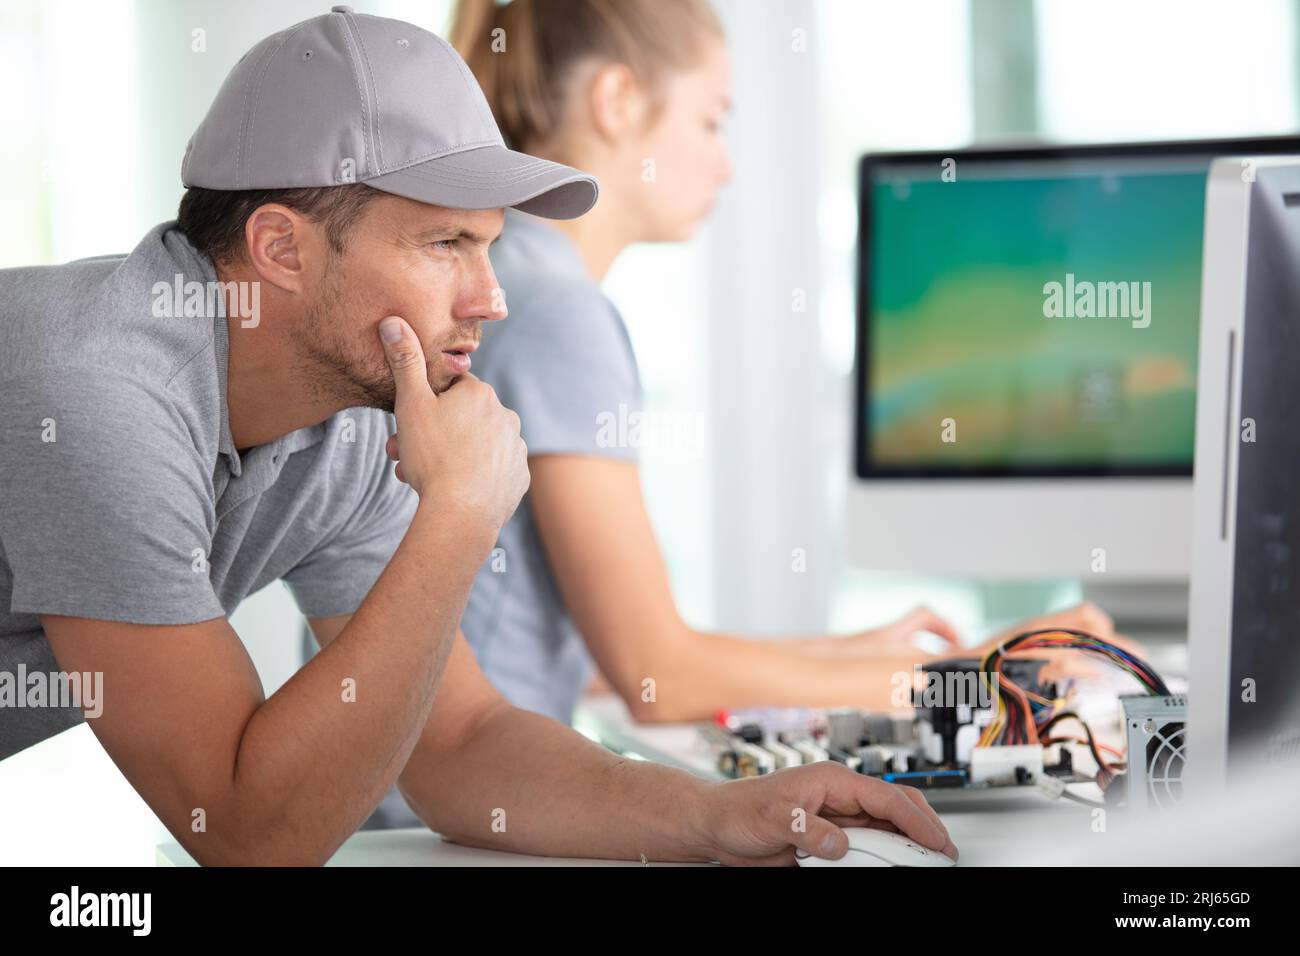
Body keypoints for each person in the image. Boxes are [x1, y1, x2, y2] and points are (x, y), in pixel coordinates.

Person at [0, 7, 956, 866]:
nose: (490, 297)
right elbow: (245, 834)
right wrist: (456, 516)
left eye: (490, 245)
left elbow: (460, 747)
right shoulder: (100, 392)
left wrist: (711, 813)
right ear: (281, 250)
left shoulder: (348, 418)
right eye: (444, 244)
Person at [449, 0, 1129, 726]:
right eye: (711, 121)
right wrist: (978, 675)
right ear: (616, 102)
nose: (726, 164)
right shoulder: (560, 314)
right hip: (428, 826)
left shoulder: (508, 273)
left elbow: (590, 664)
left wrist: (854, 656)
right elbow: (657, 675)